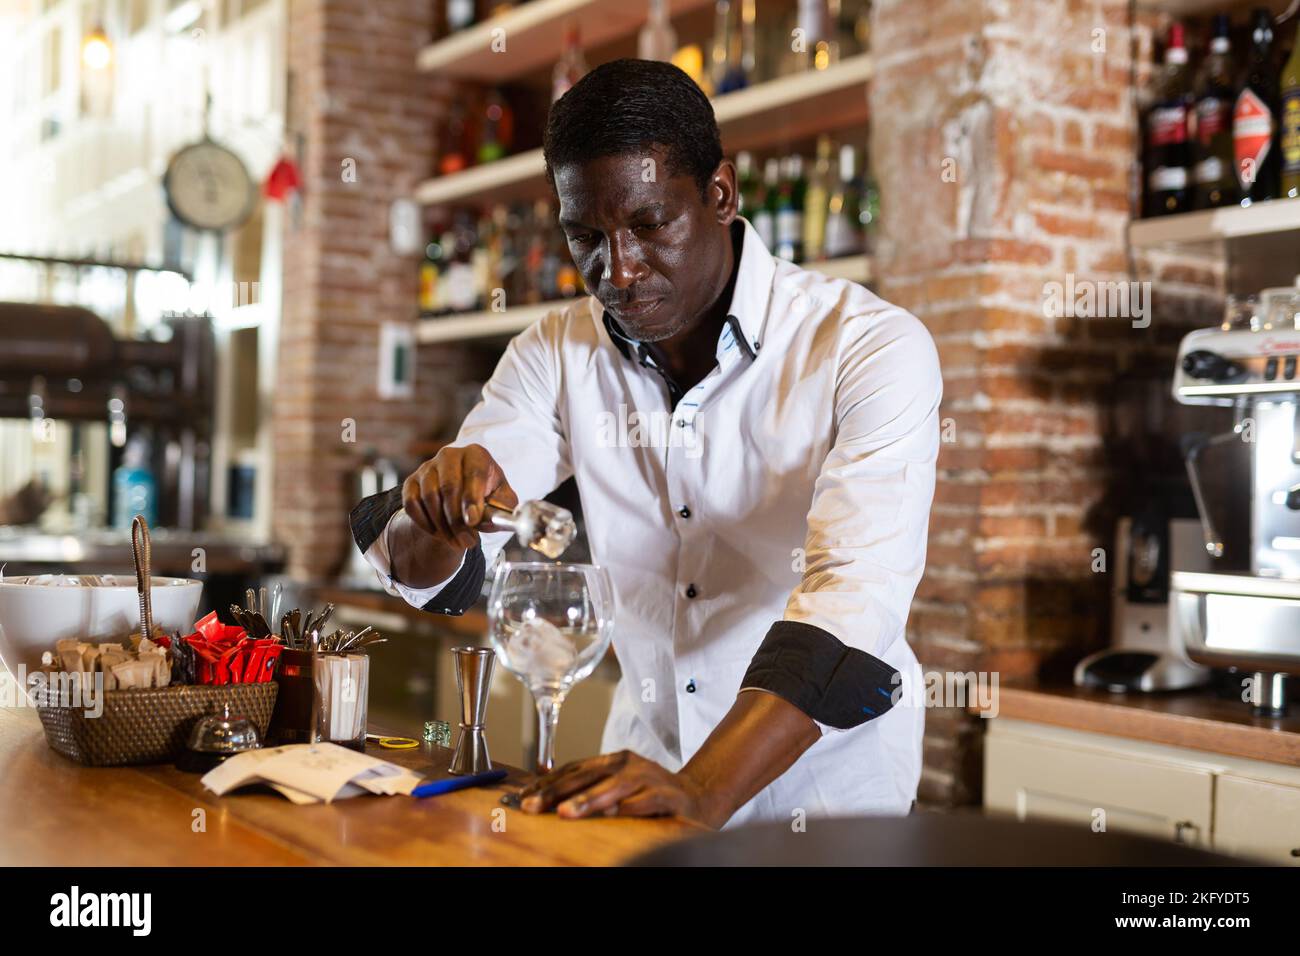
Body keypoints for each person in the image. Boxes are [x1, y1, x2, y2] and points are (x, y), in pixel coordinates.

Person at [351, 59, 941, 829]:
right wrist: (434, 511)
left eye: (649, 225)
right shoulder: (556, 352)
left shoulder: (868, 348)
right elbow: (439, 576)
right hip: (643, 778)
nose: (617, 272)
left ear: (720, 195)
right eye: (585, 238)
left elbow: (852, 606)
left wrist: (704, 791)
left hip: (824, 805)